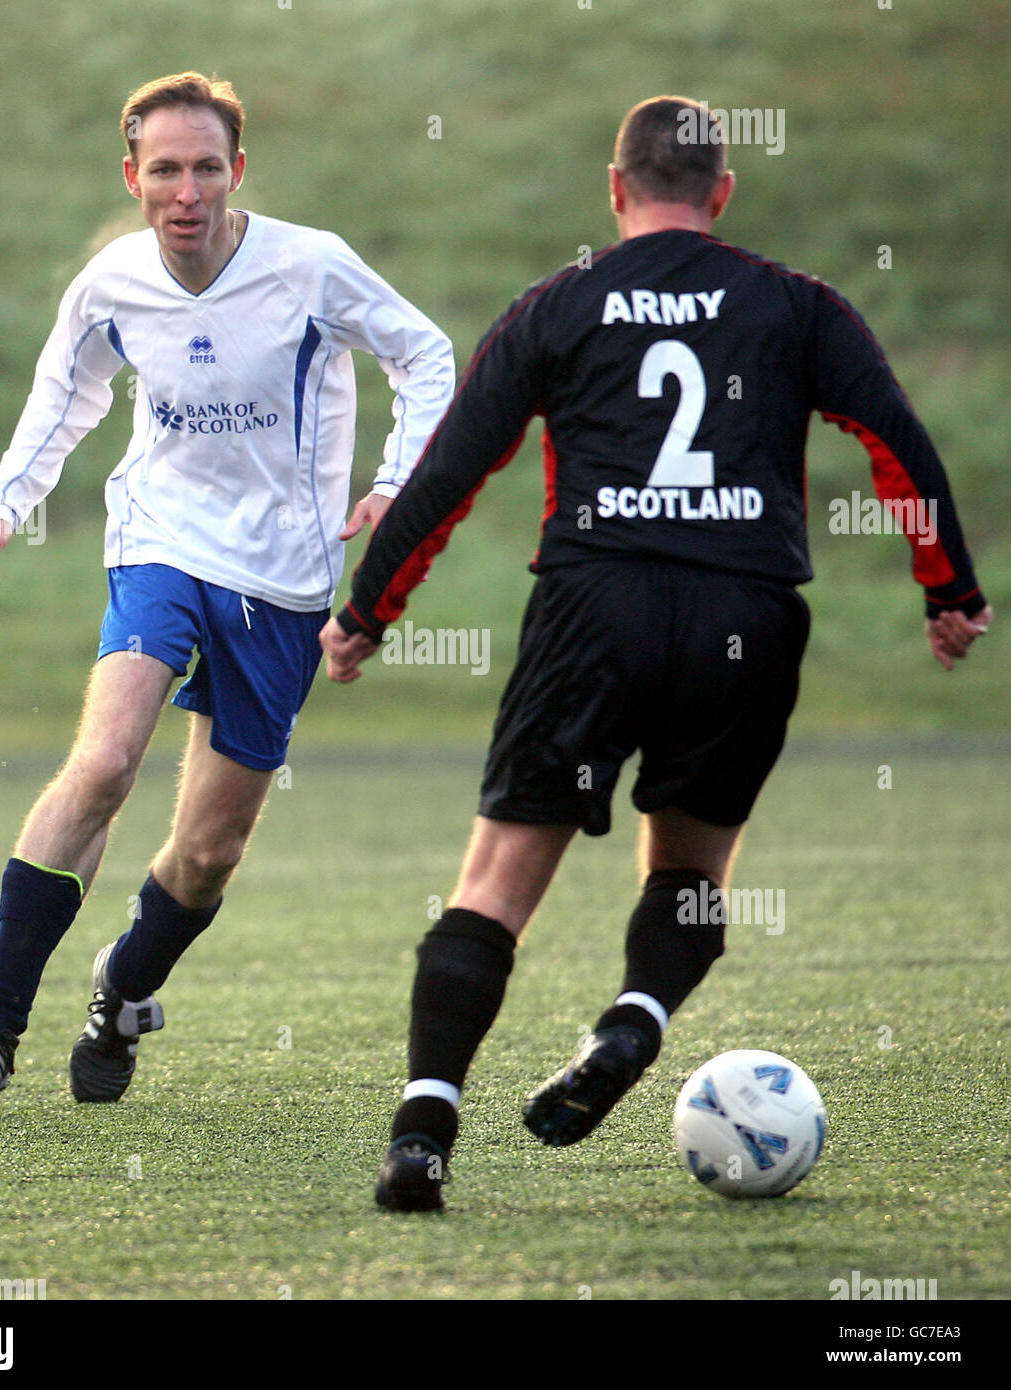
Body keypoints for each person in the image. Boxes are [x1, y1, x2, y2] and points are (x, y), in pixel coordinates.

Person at [319, 95, 992, 1211]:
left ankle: (423, 1134)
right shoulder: (795, 303)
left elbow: (453, 466)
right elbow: (896, 439)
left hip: (595, 607)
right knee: (688, 871)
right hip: (747, 613)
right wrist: (950, 588)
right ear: (720, 193)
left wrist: (368, 611)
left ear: (616, 188)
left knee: (493, 885)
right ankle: (635, 1021)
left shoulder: (561, 303)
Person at [0, 71, 455, 1111]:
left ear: (238, 171)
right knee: (108, 759)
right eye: (164, 169)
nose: (187, 190)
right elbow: (61, 397)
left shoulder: (310, 267)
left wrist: (397, 482)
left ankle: (122, 988)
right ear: (132, 177)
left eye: (207, 167)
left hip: (286, 577)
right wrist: (0, 506)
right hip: (159, 544)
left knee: (208, 852)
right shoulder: (113, 283)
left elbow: (425, 355)